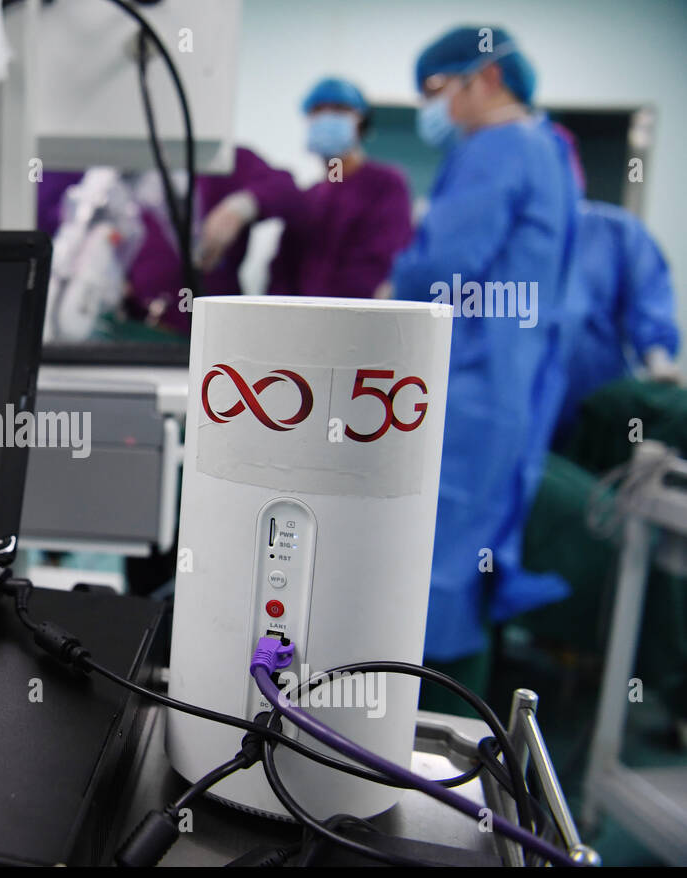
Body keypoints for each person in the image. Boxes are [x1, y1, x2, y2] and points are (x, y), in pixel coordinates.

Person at [388, 26, 581, 700]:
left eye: (441, 92)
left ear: (489, 78)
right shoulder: (552, 151)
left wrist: (394, 283)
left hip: (467, 392)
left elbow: (441, 265)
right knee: (473, 557)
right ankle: (463, 731)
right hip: (510, 393)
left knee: (432, 567)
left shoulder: (496, 147)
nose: (435, 112)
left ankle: (417, 728)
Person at [196, 77, 413, 299]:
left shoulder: (385, 184)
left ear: (361, 122)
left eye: (339, 109)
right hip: (303, 324)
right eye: (318, 110)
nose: (327, 117)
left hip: (358, 319)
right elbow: (281, 272)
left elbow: (382, 260)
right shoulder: (309, 197)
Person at [557, 200, 679, 433]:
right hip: (513, 399)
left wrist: (658, 360)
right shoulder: (515, 230)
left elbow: (649, 300)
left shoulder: (613, 230)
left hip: (591, 401)